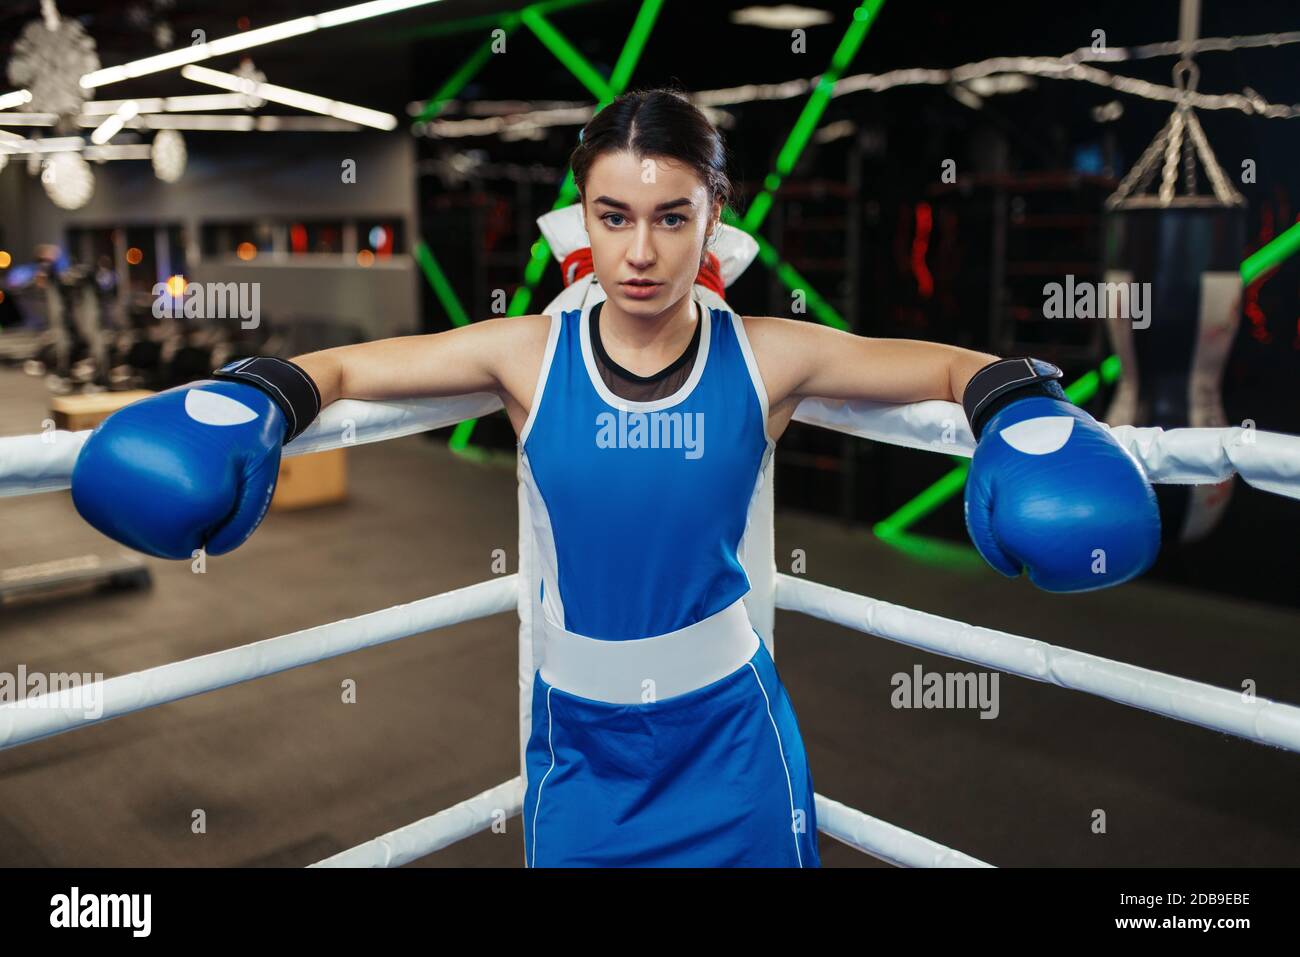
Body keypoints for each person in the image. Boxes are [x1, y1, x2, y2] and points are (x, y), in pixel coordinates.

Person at [70, 88, 1161, 867]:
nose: (641, 251)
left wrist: (1020, 406)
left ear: (712, 219)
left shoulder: (768, 355)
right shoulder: (525, 355)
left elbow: (945, 365)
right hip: (581, 749)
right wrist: (247, 399)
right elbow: (348, 366)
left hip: (733, 742)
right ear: (585, 221)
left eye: (672, 217)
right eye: (614, 216)